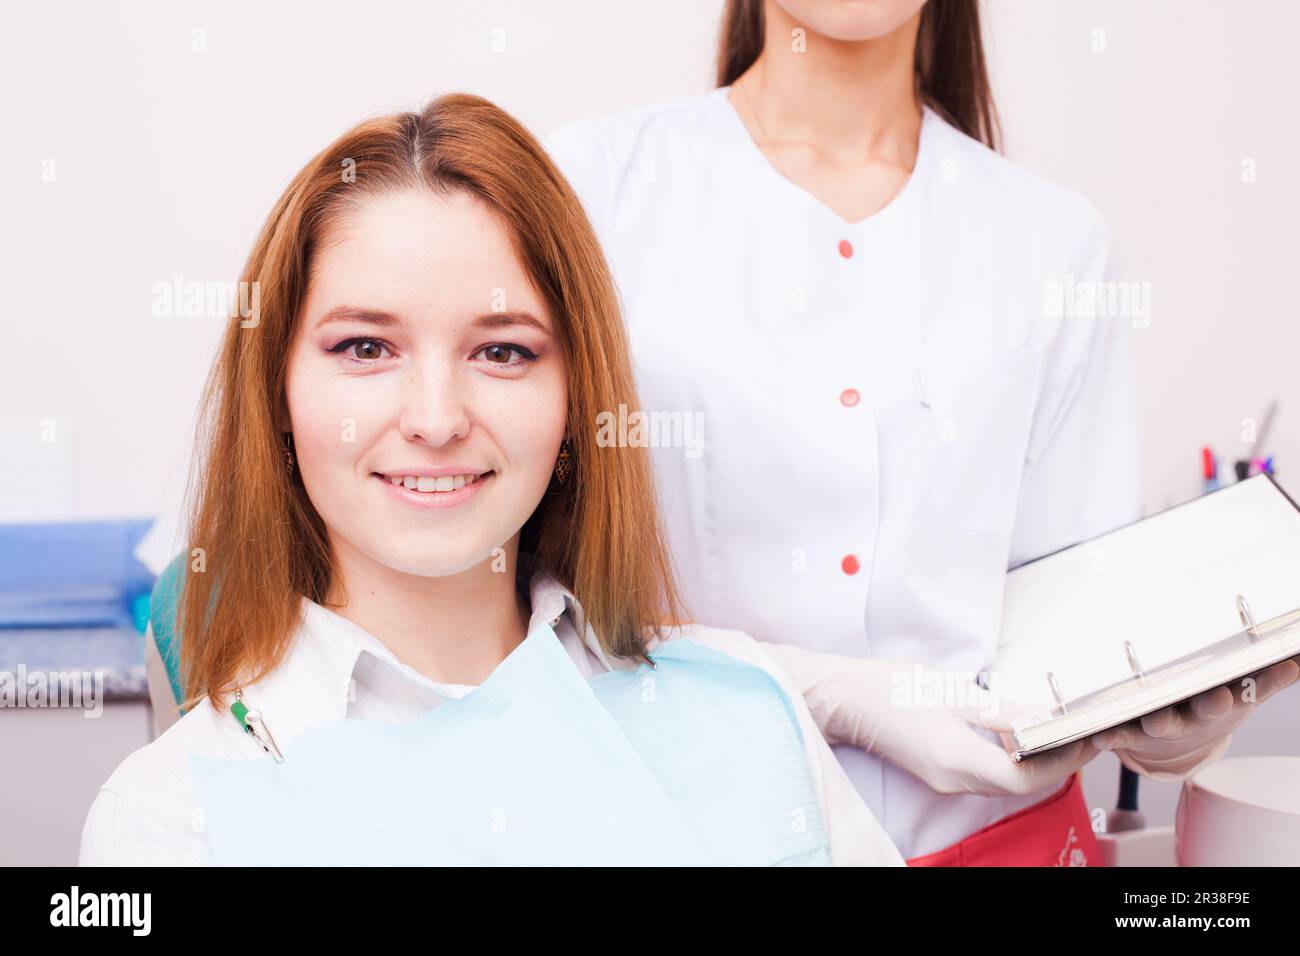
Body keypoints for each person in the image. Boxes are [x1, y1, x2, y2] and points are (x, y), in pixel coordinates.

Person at [543, 0, 1298, 864]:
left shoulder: (1054, 244)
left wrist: (1172, 726)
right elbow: (527, 607)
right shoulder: (594, 190)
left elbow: (1074, 624)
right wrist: (829, 693)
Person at [78, 93, 904, 866]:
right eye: (365, 348)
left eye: (501, 351)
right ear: (279, 392)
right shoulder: (168, 817)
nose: (436, 419)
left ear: (576, 396)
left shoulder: (752, 714)